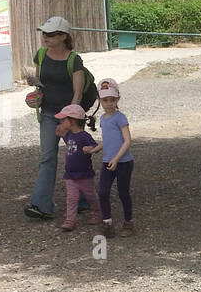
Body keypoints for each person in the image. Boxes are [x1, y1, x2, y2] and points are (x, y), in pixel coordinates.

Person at [25, 15, 88, 220]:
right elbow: (40, 84)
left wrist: (68, 121)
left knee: (77, 157)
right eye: (44, 33)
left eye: (51, 34)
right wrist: (34, 92)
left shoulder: (74, 60)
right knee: (47, 158)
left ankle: (85, 199)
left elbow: (77, 94)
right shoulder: (41, 55)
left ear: (63, 36)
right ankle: (40, 205)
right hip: (48, 114)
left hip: (70, 118)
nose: (46, 37)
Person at [94, 78, 134, 237]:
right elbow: (108, 140)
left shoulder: (120, 117)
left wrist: (117, 159)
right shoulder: (103, 119)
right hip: (108, 162)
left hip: (123, 162)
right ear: (99, 100)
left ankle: (128, 222)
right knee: (102, 192)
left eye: (112, 99)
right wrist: (95, 149)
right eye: (105, 100)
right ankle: (107, 223)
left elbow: (127, 140)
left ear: (117, 99)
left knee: (123, 192)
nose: (109, 103)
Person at [55, 104, 99, 232]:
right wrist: (60, 132)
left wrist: (89, 149)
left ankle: (98, 212)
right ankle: (70, 220)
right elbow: (63, 136)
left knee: (91, 196)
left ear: (72, 121)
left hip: (85, 174)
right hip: (70, 174)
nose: (61, 122)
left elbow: (95, 147)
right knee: (71, 198)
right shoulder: (69, 135)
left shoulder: (84, 136)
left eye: (64, 120)